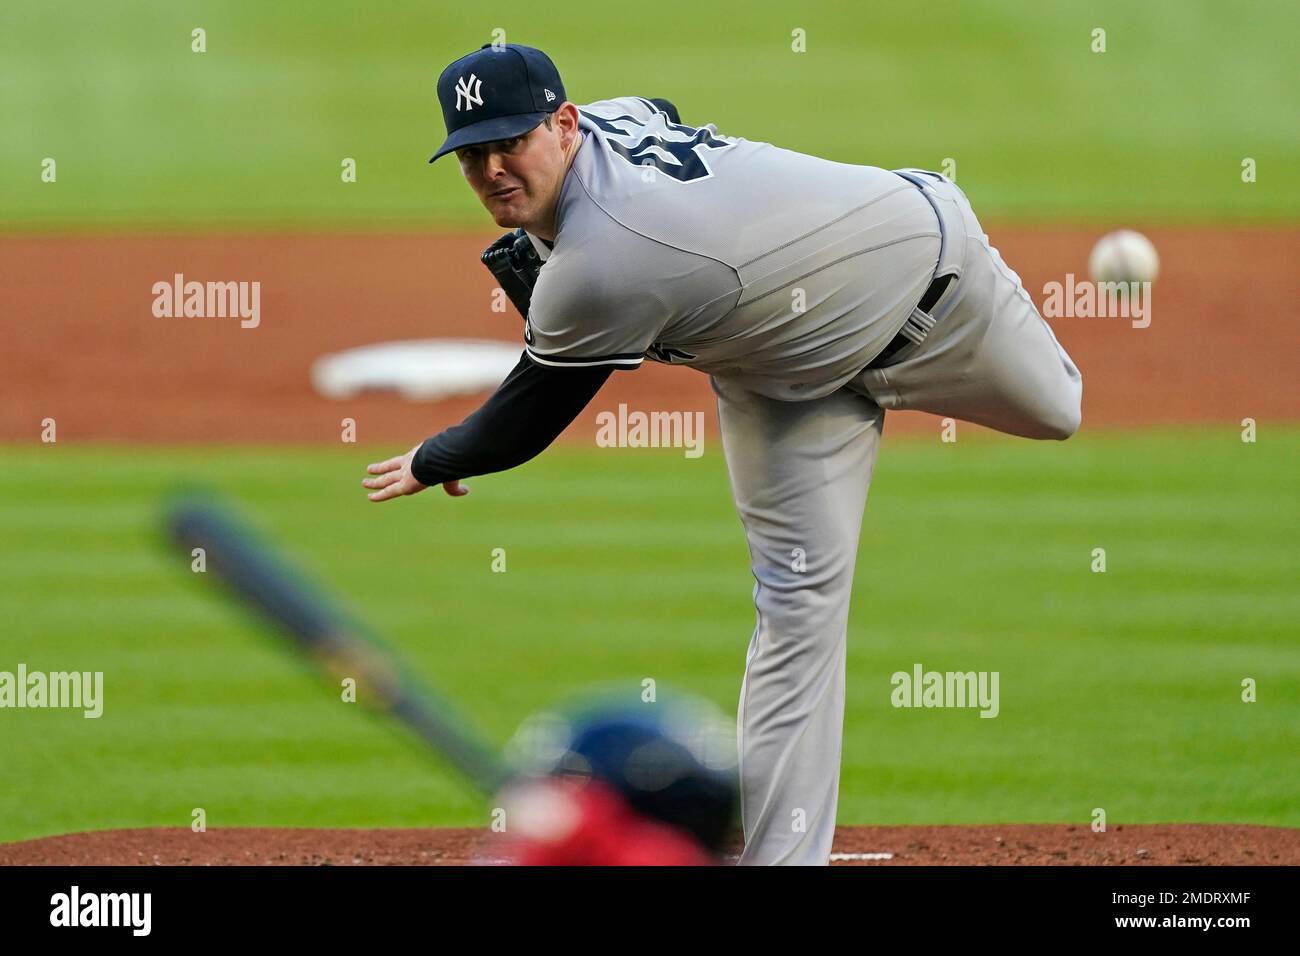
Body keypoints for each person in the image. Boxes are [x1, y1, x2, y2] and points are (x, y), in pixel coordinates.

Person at [362, 43, 1082, 865]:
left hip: (931, 281)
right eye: (471, 154)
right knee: (796, 606)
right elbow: (658, 110)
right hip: (782, 380)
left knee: (1059, 412)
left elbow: (524, 419)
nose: (492, 169)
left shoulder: (603, 262)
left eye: (510, 143)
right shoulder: (609, 128)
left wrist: (433, 457)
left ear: (563, 124)